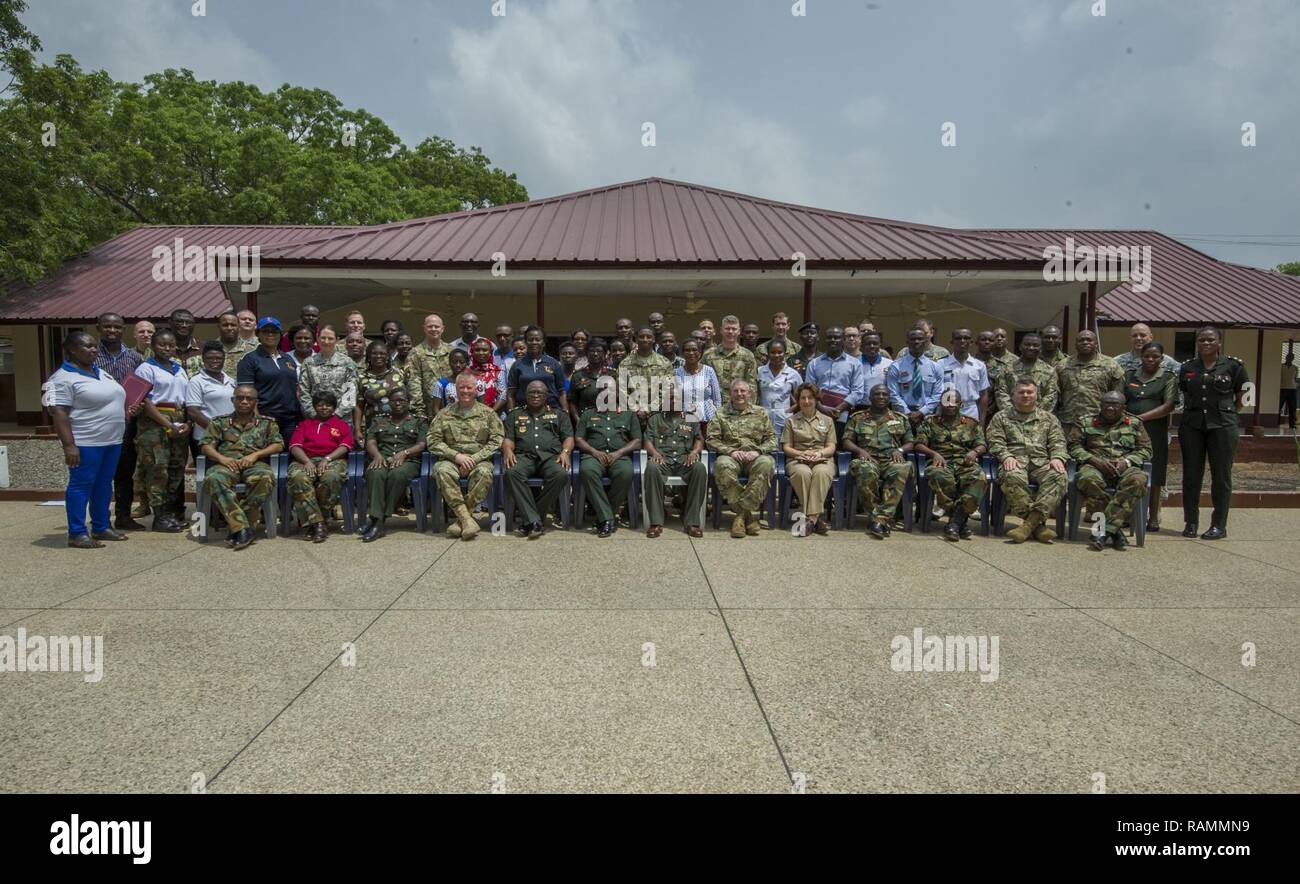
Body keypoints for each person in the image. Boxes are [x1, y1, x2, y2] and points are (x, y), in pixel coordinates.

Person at [44, 330, 131, 548]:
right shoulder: (61, 379)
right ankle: (77, 532)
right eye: (87, 346)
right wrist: (69, 445)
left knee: (103, 484)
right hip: (86, 442)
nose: (93, 350)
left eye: (94, 346)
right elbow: (59, 413)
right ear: (72, 350)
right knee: (81, 485)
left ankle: (101, 526)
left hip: (111, 441)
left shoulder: (100, 372)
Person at [1178, 325, 1248, 540]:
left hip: (1223, 426)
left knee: (1221, 476)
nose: (1206, 343)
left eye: (1210, 340)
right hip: (1192, 426)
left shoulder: (1234, 366)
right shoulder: (1188, 367)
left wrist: (1229, 415)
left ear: (1219, 342)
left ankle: (1219, 525)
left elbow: (1244, 396)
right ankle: (1191, 522)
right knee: (1191, 475)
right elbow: (1184, 393)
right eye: (1202, 340)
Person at [201, 384, 284, 549]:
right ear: (233, 400)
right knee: (213, 478)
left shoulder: (267, 423)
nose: (244, 401)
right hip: (226, 464)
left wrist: (256, 455)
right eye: (240, 398)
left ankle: (238, 528)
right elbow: (205, 445)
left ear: (255, 402)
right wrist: (221, 458)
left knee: (265, 477)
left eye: (249, 398)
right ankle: (244, 528)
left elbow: (278, 444)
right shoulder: (219, 422)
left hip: (254, 463)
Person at [986, 377, 1068, 543]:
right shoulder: (1001, 417)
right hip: (1015, 461)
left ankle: (1027, 526)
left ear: (1036, 395)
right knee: (1012, 476)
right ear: (1013, 395)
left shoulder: (1049, 418)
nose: (1025, 395)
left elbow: (1058, 442)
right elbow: (995, 442)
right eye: (1021, 392)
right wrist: (1005, 456)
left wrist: (1057, 458)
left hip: (1041, 463)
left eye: (1029, 392)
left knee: (1059, 476)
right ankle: (1038, 526)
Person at [1070, 391, 1152, 552]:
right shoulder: (1085, 422)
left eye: (1115, 404)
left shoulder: (1135, 423)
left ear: (1124, 407)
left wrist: (1126, 462)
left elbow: (1146, 450)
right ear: (1100, 405)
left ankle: (1103, 532)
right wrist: (1094, 460)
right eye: (1106, 403)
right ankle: (1115, 533)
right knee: (1088, 480)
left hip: (1126, 466)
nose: (1110, 408)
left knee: (1138, 481)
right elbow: (1073, 446)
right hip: (1094, 465)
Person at [427, 374, 503, 540]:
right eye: (462, 387)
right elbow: (433, 441)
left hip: (479, 460)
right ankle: (468, 520)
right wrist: (456, 457)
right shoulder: (443, 414)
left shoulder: (488, 414)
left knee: (484, 473)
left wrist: (474, 459)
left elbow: (496, 440)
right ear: (456, 389)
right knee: (441, 470)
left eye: (469, 387)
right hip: (451, 460)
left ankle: (462, 520)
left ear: (476, 390)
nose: (465, 391)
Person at [133, 329, 191, 532]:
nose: (167, 348)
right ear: (153, 346)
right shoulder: (146, 368)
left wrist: (186, 423)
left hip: (179, 419)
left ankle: (170, 513)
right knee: (158, 469)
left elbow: (185, 398)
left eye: (171, 345)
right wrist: (167, 425)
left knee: (176, 468)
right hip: (155, 422)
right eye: (162, 345)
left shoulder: (179, 368)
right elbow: (145, 401)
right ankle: (159, 517)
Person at [93, 312, 146, 530]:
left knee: (125, 472)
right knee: (101, 474)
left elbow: (142, 387)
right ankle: (100, 520)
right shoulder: (91, 355)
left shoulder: (135, 357)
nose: (112, 331)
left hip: (128, 422)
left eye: (117, 327)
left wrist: (140, 405)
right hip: (98, 422)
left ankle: (123, 516)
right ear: (99, 328)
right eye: (107, 326)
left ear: (123, 329)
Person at [503, 380, 574, 538]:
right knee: (511, 473)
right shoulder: (515, 414)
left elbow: (568, 437)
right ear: (525, 395)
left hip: (550, 457)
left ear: (546, 395)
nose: (535, 395)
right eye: (531, 392)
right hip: (524, 457)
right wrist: (507, 450)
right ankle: (535, 521)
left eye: (539, 393)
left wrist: (566, 452)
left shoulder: (558, 414)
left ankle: (531, 520)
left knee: (561, 474)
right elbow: (509, 438)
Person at [913, 388, 987, 541]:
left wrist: (974, 452)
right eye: (946, 401)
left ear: (960, 404)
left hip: (964, 462)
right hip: (940, 461)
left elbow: (982, 445)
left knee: (979, 477)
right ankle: (959, 521)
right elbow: (918, 444)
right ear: (941, 404)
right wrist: (933, 453)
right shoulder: (930, 421)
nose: (950, 405)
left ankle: (955, 522)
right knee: (940, 476)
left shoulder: (971, 423)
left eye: (954, 402)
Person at [842, 383, 914, 539]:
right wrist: (859, 450)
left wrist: (900, 450)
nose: (881, 397)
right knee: (864, 469)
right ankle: (881, 519)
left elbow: (910, 442)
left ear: (889, 398)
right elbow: (846, 441)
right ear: (870, 397)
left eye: (884, 395)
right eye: (877, 394)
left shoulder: (900, 418)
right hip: (868, 458)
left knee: (903, 468)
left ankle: (877, 520)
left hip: (891, 459)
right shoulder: (857, 417)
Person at [707, 379, 776, 539]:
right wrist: (730, 451)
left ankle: (739, 517)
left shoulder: (761, 412)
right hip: (732, 457)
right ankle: (748, 517)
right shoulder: (721, 413)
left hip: (755, 456)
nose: (739, 394)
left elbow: (772, 439)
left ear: (750, 393)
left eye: (743, 391)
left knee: (766, 463)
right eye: (736, 391)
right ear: (730, 394)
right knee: (722, 465)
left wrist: (758, 451)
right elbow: (711, 439)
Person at [360, 388, 428, 542]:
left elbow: (422, 444)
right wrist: (377, 456)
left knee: (397, 474)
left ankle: (378, 520)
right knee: (375, 473)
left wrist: (405, 453)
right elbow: (370, 441)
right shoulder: (379, 420)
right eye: (394, 400)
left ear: (408, 403)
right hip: (382, 458)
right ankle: (378, 521)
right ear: (389, 403)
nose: (398, 403)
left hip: (409, 461)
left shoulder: (419, 420)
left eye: (402, 400)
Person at [285, 390, 353, 543]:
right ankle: (320, 523)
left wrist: (327, 459)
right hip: (305, 459)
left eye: (328, 405)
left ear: (334, 408)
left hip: (333, 459)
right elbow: (295, 446)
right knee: (298, 477)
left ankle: (312, 523)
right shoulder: (304, 425)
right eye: (320, 405)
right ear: (315, 407)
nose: (324, 408)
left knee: (331, 477)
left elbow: (345, 446)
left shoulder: (341, 425)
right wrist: (307, 461)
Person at [1123, 341, 1177, 532]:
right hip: (1129, 431)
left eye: (1155, 356)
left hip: (1155, 431)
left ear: (1162, 359)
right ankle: (1127, 514)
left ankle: (1152, 517)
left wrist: (1140, 418)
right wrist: (1129, 420)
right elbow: (1122, 399)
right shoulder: (1129, 375)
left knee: (1155, 474)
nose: (1151, 359)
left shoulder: (1168, 377)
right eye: (1147, 356)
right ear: (1141, 357)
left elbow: (1169, 405)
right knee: (1129, 469)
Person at [574, 387, 642, 537]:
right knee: (587, 471)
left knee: (626, 473)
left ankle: (603, 518)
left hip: (619, 456)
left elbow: (637, 441)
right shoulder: (588, 414)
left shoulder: (628, 414)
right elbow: (578, 439)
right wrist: (593, 451)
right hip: (593, 456)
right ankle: (608, 518)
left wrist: (618, 453)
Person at [782, 383, 837, 535]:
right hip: (797, 459)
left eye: (810, 398)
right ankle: (815, 519)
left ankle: (809, 519)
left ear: (816, 400)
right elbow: (786, 447)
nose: (806, 401)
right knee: (803, 474)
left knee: (821, 473)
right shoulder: (791, 421)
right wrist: (799, 454)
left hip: (822, 459)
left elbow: (831, 447)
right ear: (798, 401)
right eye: (802, 398)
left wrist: (820, 454)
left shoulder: (827, 421)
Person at [642, 407, 707, 538]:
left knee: (699, 468)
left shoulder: (691, 417)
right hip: (662, 459)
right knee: (651, 468)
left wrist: (694, 452)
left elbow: (699, 439)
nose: (673, 402)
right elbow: (647, 441)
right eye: (669, 398)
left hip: (685, 459)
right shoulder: (655, 419)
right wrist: (654, 453)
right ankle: (656, 523)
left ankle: (692, 523)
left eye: (676, 398)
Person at [237, 317, 301, 445]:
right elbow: (246, 394)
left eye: (274, 331)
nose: (270, 334)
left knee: (289, 458)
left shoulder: (287, 358)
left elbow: (295, 389)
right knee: (266, 459)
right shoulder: (250, 360)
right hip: (265, 418)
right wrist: (257, 419)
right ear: (258, 335)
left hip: (290, 420)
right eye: (266, 331)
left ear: (280, 335)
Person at [1057, 330, 1125, 432]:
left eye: (1089, 340)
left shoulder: (1111, 365)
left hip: (1098, 423)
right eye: (1081, 340)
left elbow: (1118, 396)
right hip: (1068, 423)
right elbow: (1055, 395)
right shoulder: (1062, 366)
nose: (1085, 342)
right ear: (1075, 344)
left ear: (1096, 344)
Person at [805, 326, 865, 440]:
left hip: (844, 415)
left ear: (843, 340)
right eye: (829, 337)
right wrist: (822, 408)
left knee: (841, 447)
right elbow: (809, 390)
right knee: (817, 445)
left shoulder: (855, 364)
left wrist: (839, 409)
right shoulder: (814, 364)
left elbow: (858, 391)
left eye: (836, 337)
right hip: (817, 413)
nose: (833, 340)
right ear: (825, 340)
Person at [298, 325, 359, 424]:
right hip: (315, 421)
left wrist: (337, 415)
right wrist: (314, 414)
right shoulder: (308, 363)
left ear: (337, 340)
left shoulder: (348, 363)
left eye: (330, 338)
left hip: (341, 420)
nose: (326, 341)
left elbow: (351, 393)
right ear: (317, 339)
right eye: (323, 338)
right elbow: (303, 392)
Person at [185, 341, 236, 456]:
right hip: (206, 438)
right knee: (207, 472)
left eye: (219, 358)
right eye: (210, 358)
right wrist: (218, 431)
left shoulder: (231, 381)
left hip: (229, 438)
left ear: (224, 359)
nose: (215, 361)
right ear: (203, 358)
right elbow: (193, 411)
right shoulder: (196, 381)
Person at [886, 327, 943, 429]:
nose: (916, 342)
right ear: (907, 342)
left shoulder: (935, 367)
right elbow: (893, 394)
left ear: (925, 341)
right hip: (903, 416)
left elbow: (937, 394)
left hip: (928, 416)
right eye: (913, 339)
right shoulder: (896, 366)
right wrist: (908, 413)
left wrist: (922, 412)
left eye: (920, 339)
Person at [506, 326, 567, 413]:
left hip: (551, 411)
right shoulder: (517, 365)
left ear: (543, 343)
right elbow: (511, 394)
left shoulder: (554, 364)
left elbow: (562, 393)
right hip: (524, 413)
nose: (534, 342)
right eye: (530, 340)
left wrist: (565, 411)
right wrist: (511, 414)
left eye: (537, 339)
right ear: (526, 342)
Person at [406, 313, 454, 420]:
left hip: (453, 406)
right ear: (424, 328)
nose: (433, 329)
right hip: (428, 409)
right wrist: (419, 410)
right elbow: (414, 382)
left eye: (436, 326)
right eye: (430, 326)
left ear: (442, 329)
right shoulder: (416, 353)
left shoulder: (451, 350)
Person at [937, 328, 990, 424]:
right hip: (946, 411)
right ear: (951, 342)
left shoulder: (979, 365)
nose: (962, 341)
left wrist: (981, 421)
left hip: (970, 411)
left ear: (971, 342)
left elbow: (983, 395)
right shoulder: (941, 364)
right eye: (958, 338)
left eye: (966, 338)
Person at [620, 327, 674, 421]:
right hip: (632, 415)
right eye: (641, 337)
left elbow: (667, 390)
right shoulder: (625, 364)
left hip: (658, 416)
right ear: (636, 339)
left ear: (654, 339)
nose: (645, 339)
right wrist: (636, 409)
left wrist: (648, 410)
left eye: (648, 337)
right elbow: (622, 390)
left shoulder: (665, 363)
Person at [997, 333, 1058, 415]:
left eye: (1035, 345)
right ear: (1020, 347)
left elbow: (1051, 396)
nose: (1031, 348)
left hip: (1040, 420)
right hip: (1011, 419)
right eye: (1027, 344)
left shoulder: (1049, 371)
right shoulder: (1007, 369)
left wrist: (1035, 414)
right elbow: (1001, 393)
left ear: (1041, 348)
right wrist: (1013, 413)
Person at [358, 340, 408, 432]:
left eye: (382, 353)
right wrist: (357, 430)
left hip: (401, 426)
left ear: (388, 356)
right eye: (374, 353)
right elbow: (359, 406)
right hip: (374, 428)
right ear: (368, 356)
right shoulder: (362, 378)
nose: (378, 356)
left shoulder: (399, 374)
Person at [757, 338, 801, 440]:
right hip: (763, 417)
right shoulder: (759, 371)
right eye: (773, 352)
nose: (776, 355)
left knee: (784, 447)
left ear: (785, 353)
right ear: (767, 353)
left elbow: (801, 398)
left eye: (780, 352)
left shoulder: (793, 374)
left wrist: (788, 411)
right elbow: (756, 395)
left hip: (785, 417)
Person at [703, 315, 759, 394]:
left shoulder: (748, 356)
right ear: (721, 330)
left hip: (739, 403)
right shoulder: (708, 355)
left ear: (739, 331)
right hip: (714, 404)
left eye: (734, 329)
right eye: (727, 329)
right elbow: (702, 382)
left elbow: (752, 386)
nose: (730, 332)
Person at [569, 338, 618, 425]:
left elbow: (620, 400)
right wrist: (578, 420)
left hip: (609, 421)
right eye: (592, 351)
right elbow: (573, 402)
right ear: (586, 353)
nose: (595, 354)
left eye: (599, 351)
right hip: (586, 421)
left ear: (605, 354)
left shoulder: (613, 374)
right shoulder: (578, 375)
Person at [675, 338, 721, 431]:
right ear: (683, 353)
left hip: (708, 418)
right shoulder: (677, 372)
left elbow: (717, 399)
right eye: (687, 350)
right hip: (686, 419)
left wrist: (717, 419)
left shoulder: (709, 371)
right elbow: (675, 400)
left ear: (700, 352)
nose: (691, 353)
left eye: (694, 350)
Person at [468, 337, 507, 412]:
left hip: (495, 414)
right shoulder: (467, 372)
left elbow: (503, 395)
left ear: (490, 352)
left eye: (484, 350)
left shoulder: (497, 371)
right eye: (477, 350)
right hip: (471, 415)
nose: (481, 353)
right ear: (472, 352)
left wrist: (490, 412)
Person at [430, 348, 471, 415]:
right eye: (454, 362)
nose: (458, 365)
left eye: (461, 362)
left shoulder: (475, 382)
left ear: (467, 363)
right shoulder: (441, 384)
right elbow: (435, 409)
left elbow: (482, 407)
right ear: (449, 363)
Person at [858, 330, 892, 405]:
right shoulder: (855, 364)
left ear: (880, 345)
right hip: (860, 407)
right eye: (868, 344)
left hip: (884, 408)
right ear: (862, 346)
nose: (872, 346)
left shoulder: (890, 364)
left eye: (875, 343)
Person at [1279, 351, 1297, 430]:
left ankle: (1292, 425)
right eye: (1288, 357)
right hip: (1282, 388)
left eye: (1291, 357)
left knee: (1292, 408)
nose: (1290, 358)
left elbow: (1295, 378)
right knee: (1279, 406)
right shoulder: (1281, 366)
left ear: (1293, 359)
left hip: (1292, 389)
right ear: (1286, 357)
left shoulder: (1295, 368)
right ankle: (1277, 422)